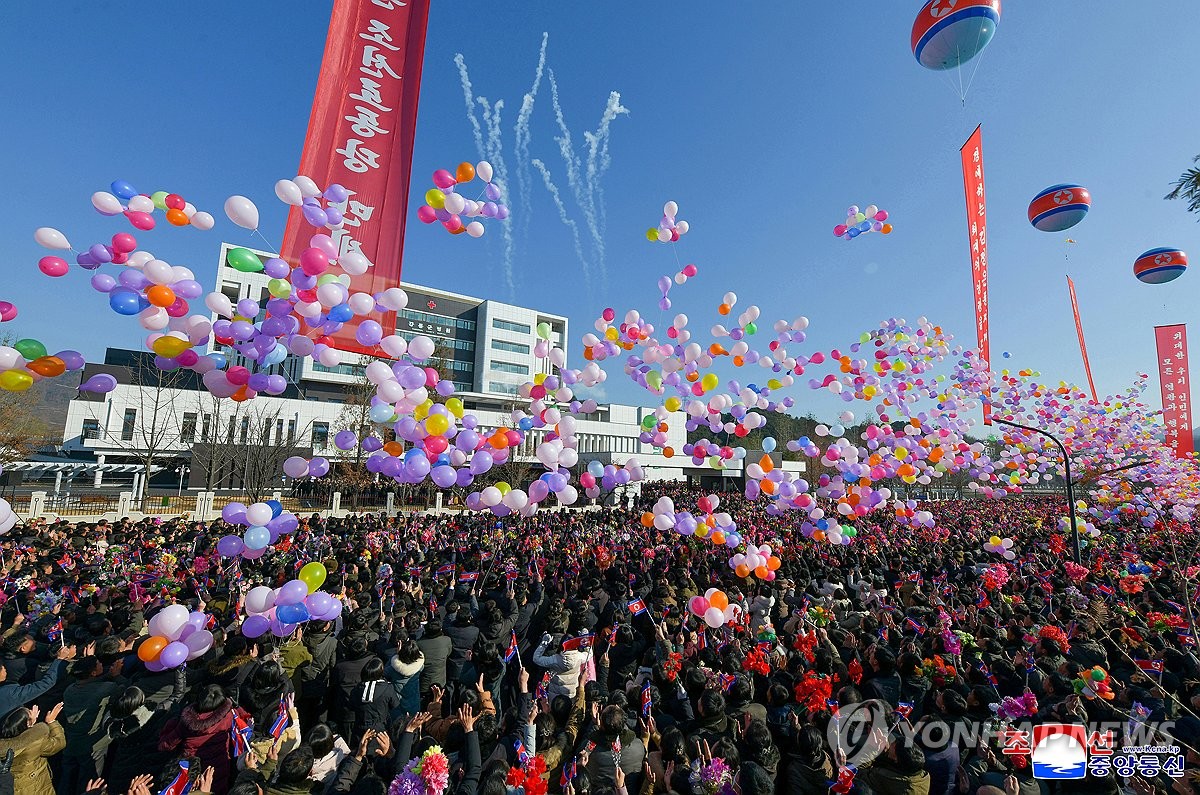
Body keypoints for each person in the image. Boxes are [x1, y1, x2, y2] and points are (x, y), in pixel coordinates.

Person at [0, 703, 65, 795]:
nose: (33, 711)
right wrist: (51, 722)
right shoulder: (36, 742)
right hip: (37, 788)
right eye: (30, 713)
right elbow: (59, 743)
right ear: (27, 723)